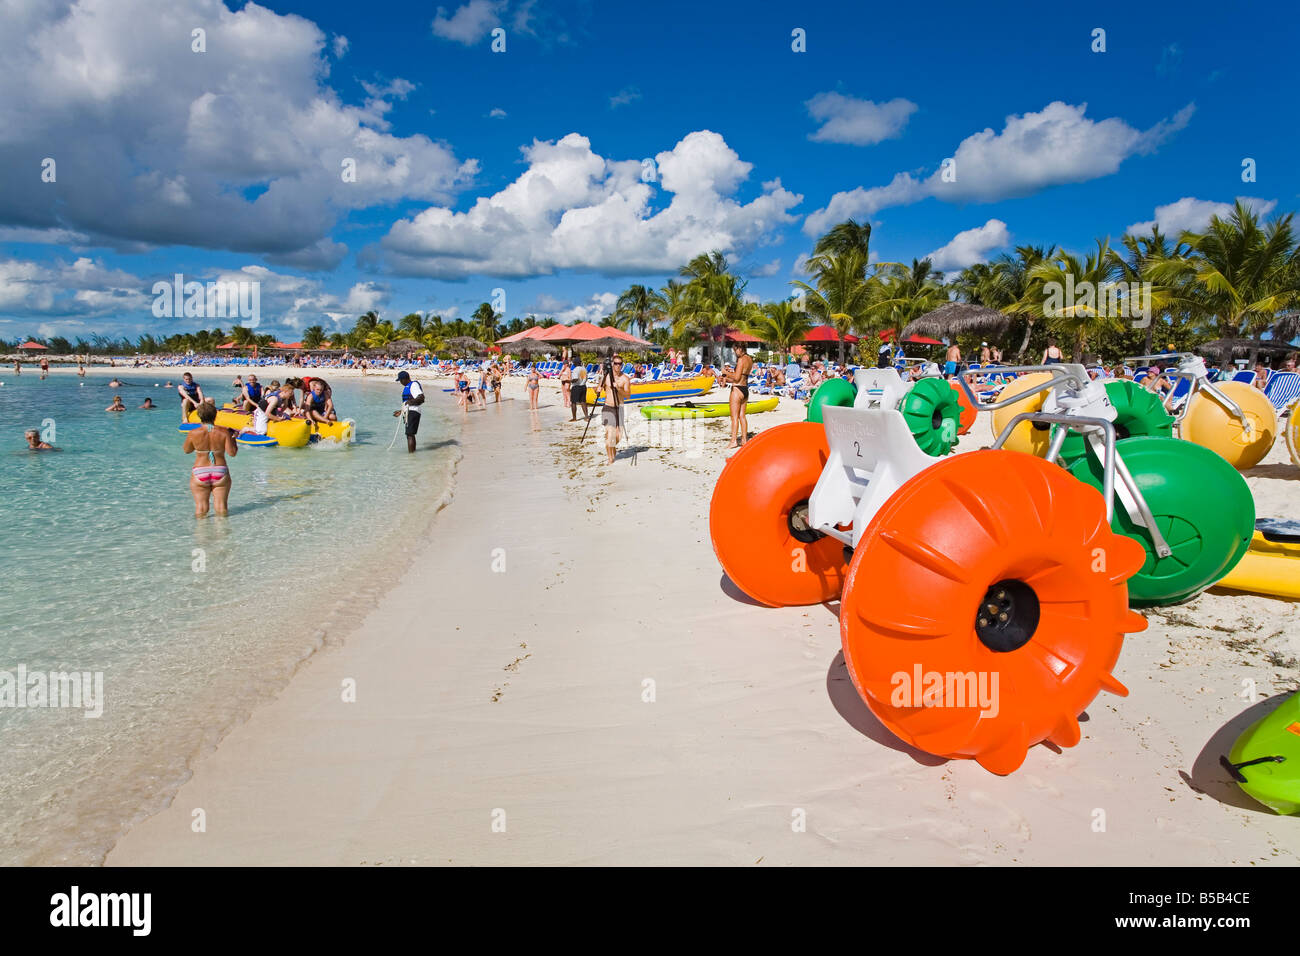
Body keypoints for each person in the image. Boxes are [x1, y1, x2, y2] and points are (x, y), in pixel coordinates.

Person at [183, 400, 237, 517]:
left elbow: (187, 450)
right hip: (219, 470)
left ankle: (202, 533)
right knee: (221, 508)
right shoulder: (224, 432)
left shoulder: (193, 433)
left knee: (201, 509)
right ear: (215, 415)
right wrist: (234, 439)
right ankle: (223, 533)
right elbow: (232, 453)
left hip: (200, 470)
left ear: (199, 416)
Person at [597, 355, 632, 464]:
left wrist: (618, 388)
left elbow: (628, 395)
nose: (617, 366)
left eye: (620, 364)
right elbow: (598, 388)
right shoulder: (606, 376)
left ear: (622, 365)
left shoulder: (625, 378)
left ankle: (612, 446)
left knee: (618, 436)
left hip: (619, 408)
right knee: (610, 434)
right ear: (612, 364)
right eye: (615, 363)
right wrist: (597, 389)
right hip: (608, 407)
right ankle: (610, 458)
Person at [723, 342, 755, 449]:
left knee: (734, 418)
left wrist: (725, 373)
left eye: (735, 350)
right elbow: (741, 375)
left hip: (737, 389)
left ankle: (733, 441)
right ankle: (744, 440)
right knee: (742, 416)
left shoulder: (741, 359)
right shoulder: (750, 359)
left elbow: (736, 378)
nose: (735, 353)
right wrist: (728, 377)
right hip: (745, 389)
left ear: (740, 348)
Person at [393, 370, 425, 453]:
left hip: (413, 411)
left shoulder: (413, 385)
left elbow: (421, 398)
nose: (400, 382)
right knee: (409, 434)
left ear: (404, 379)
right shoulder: (408, 386)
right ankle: (412, 455)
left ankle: (411, 456)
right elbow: (408, 402)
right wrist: (401, 411)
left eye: (400, 380)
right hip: (410, 411)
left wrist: (409, 402)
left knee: (410, 434)